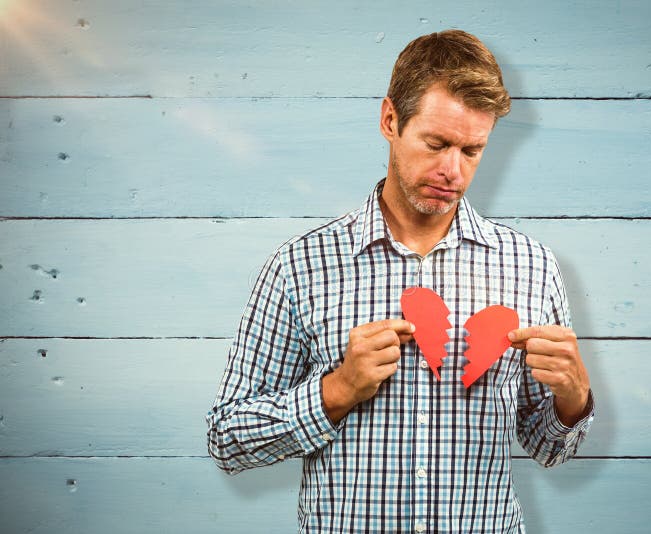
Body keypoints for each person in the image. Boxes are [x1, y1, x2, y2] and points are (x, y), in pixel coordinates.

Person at [206, 29, 594, 533]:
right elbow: (228, 440)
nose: (452, 171)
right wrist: (337, 390)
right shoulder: (300, 266)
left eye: (472, 150)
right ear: (390, 120)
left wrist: (573, 398)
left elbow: (548, 448)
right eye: (436, 144)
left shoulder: (531, 266)